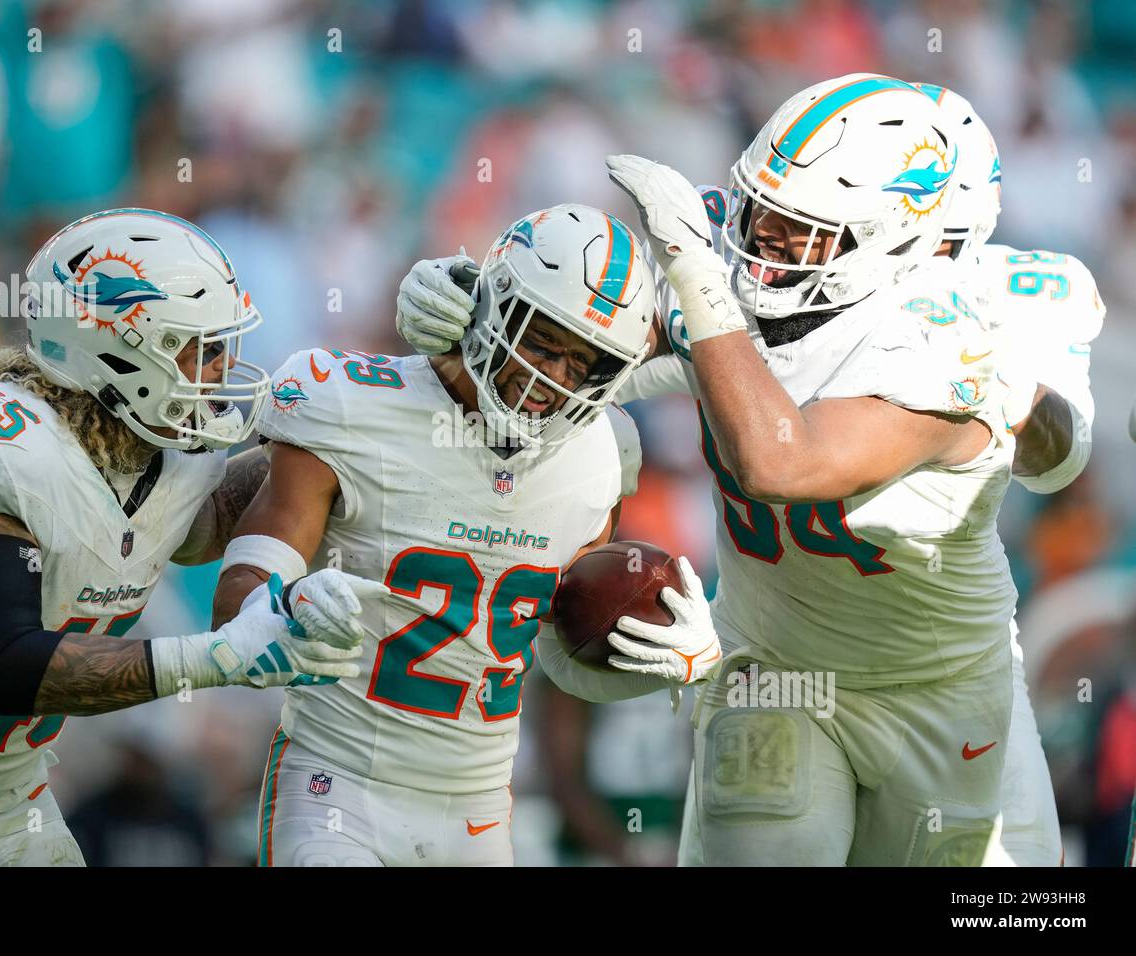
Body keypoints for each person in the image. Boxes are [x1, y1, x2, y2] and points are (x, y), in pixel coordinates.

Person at [400, 74, 1022, 866]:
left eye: (800, 233)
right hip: (768, 662)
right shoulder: (731, 253)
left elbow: (779, 463)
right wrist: (465, 322)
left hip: (936, 688)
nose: (761, 243)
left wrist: (695, 277)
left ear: (889, 241)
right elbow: (554, 376)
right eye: (760, 211)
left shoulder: (943, 338)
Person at [0, 208, 367, 866]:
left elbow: (208, 524)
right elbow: (5, 664)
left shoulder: (170, 454)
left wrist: (356, 421)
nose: (220, 369)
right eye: (199, 348)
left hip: (8, 801)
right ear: (120, 348)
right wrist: (218, 657)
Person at [213, 204, 722, 866]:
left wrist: (667, 657)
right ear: (494, 308)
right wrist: (283, 610)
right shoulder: (350, 406)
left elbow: (560, 653)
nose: (554, 381)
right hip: (337, 783)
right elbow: (236, 604)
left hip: (479, 810)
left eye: (584, 363)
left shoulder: (600, 456)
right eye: (543, 343)